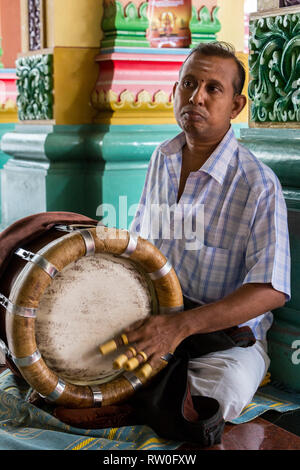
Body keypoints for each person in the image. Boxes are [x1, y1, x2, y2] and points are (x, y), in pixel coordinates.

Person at [114, 42, 291, 422]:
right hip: (154, 320)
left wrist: (180, 327)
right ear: (176, 90)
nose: (197, 97)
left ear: (236, 106)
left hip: (223, 341)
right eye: (189, 84)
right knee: (76, 354)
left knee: (214, 397)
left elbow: (271, 289)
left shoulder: (258, 184)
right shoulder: (161, 159)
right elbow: (138, 246)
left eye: (213, 89)